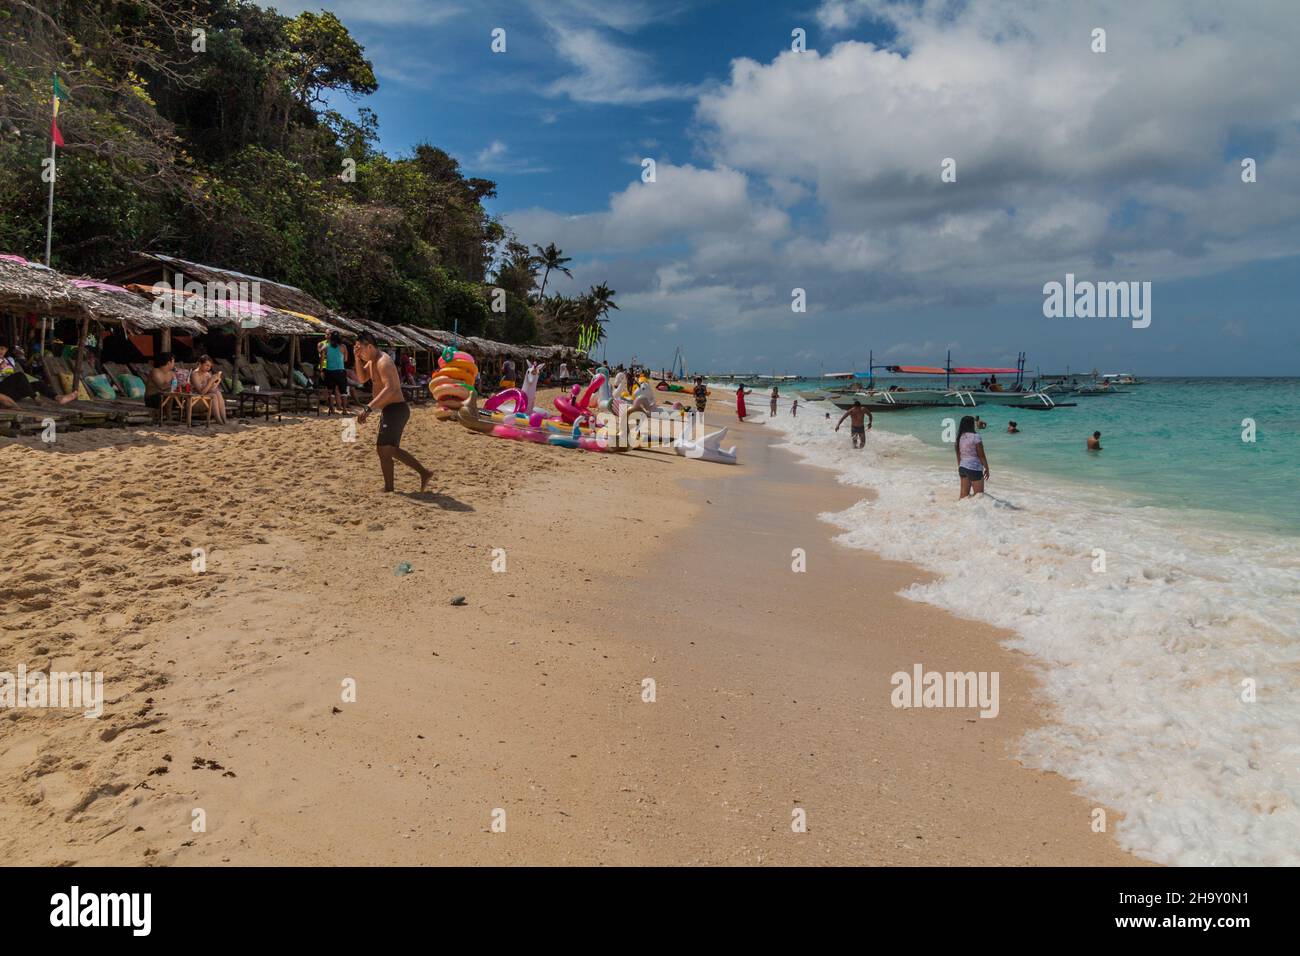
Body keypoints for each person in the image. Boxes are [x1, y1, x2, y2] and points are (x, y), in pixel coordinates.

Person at [353, 331, 433, 493]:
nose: (360, 352)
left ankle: (393, 486)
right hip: (390, 410)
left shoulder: (384, 362)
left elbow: (391, 388)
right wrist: (356, 358)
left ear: (369, 346)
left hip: (396, 410)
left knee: (383, 448)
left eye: (360, 349)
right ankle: (423, 474)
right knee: (389, 450)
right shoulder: (371, 361)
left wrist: (369, 407)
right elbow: (361, 379)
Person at [0, 341, 75, 407]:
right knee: (19, 375)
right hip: (1, 392)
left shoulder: (9, 360)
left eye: (2, 349)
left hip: (11, 393)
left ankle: (58, 398)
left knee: (38, 384)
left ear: (6, 350)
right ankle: (36, 399)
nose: (0, 351)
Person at [956, 414, 989, 499]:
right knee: (979, 497)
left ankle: (958, 511)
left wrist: (960, 466)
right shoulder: (976, 436)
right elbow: (981, 455)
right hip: (974, 468)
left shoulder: (960, 437)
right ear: (972, 424)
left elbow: (958, 455)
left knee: (963, 497)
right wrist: (987, 468)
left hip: (962, 468)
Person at [190, 354, 228, 424]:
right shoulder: (195, 374)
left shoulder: (207, 374)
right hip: (195, 401)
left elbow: (212, 389)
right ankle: (219, 420)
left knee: (217, 392)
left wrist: (216, 381)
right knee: (213, 396)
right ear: (200, 364)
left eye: (210, 366)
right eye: (206, 365)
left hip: (205, 400)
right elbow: (201, 393)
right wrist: (210, 381)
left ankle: (224, 420)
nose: (208, 368)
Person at [318, 331, 349, 414]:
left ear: (330, 338)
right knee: (343, 392)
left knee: (330, 391)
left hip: (329, 371)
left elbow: (321, 360)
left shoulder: (326, 347)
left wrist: (321, 370)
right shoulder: (343, 346)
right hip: (340, 371)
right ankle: (344, 410)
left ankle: (331, 409)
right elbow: (346, 359)